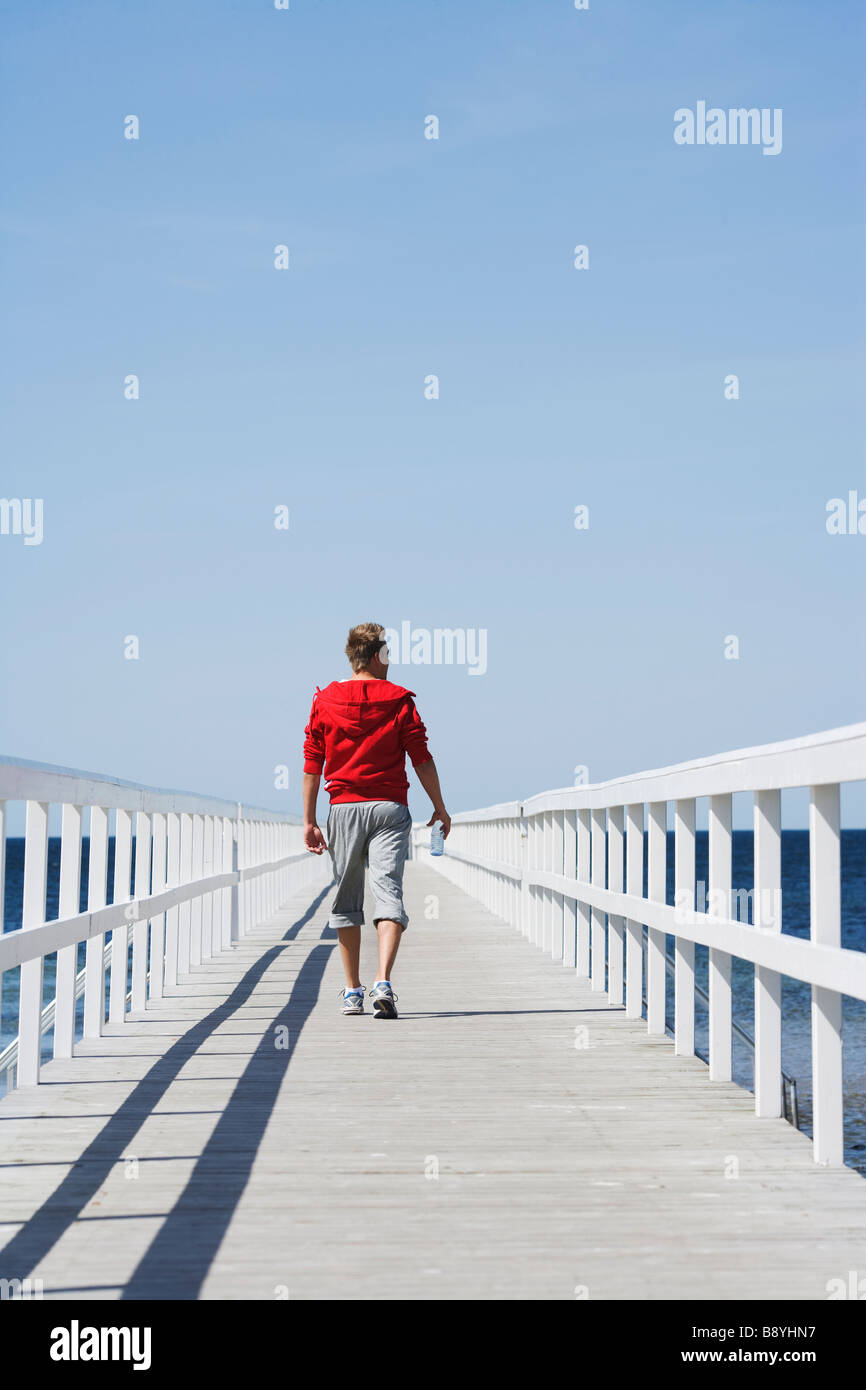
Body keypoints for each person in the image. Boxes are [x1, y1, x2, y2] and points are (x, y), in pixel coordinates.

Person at [302, 622, 451, 1019]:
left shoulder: (325, 699)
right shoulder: (399, 700)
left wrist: (309, 819)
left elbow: (312, 761)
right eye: (387, 655)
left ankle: (353, 991)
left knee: (347, 897)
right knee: (388, 892)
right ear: (375, 656)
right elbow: (420, 756)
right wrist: (439, 806)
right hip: (388, 806)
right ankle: (383, 980)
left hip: (344, 807)